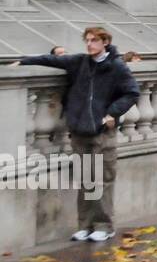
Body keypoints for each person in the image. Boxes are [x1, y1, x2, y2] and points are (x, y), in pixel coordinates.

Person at [13, 27, 139, 242]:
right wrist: (23, 62)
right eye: (87, 41)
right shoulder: (80, 62)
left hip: (102, 132)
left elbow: (131, 93)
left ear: (105, 42)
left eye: (94, 41)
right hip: (80, 130)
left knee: (102, 180)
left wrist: (111, 114)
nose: (90, 44)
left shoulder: (116, 67)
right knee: (86, 180)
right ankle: (85, 225)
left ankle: (104, 225)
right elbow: (51, 60)